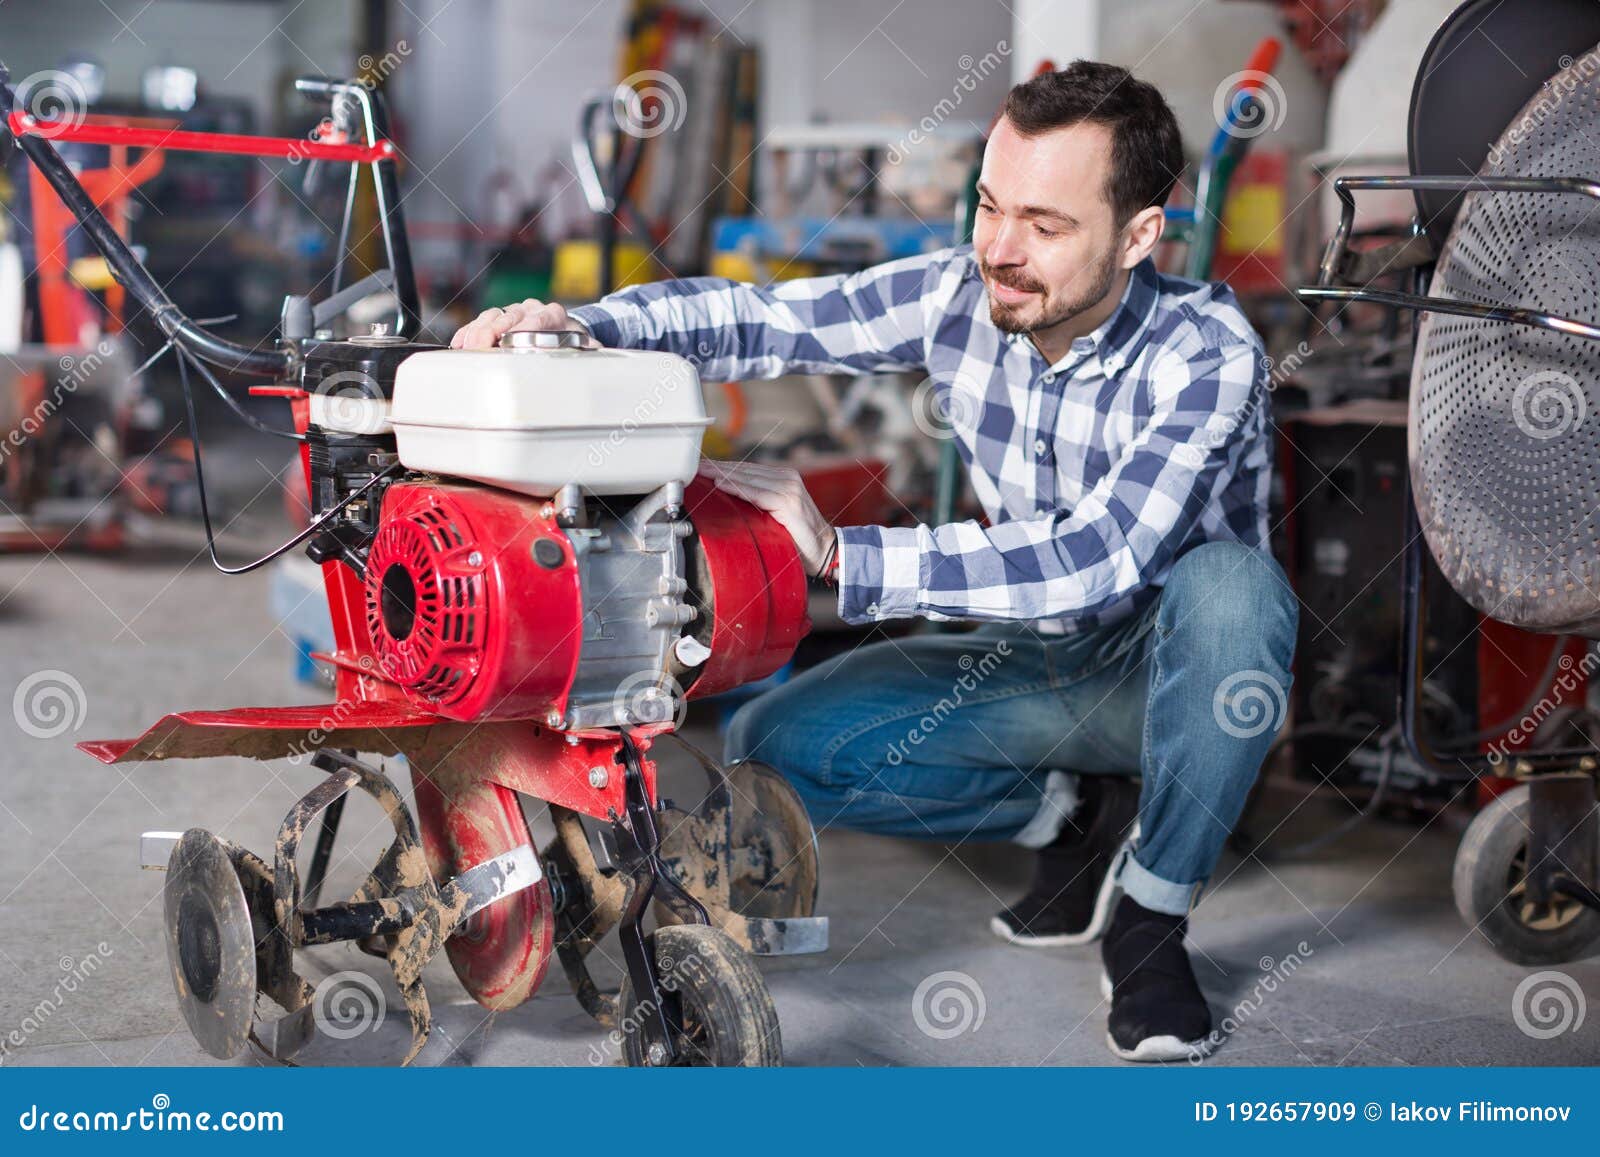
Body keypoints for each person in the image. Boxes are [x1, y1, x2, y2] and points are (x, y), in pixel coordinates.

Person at [450, 60, 1297, 1062]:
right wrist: (582, 325)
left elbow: (1100, 553)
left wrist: (841, 553)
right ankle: (1077, 821)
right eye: (989, 205)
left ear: (1140, 235)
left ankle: (1150, 915)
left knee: (1235, 590)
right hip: (1040, 659)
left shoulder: (1207, 350)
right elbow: (766, 321)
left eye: (1045, 224)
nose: (999, 249)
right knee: (776, 740)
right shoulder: (960, 293)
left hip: (1178, 669)